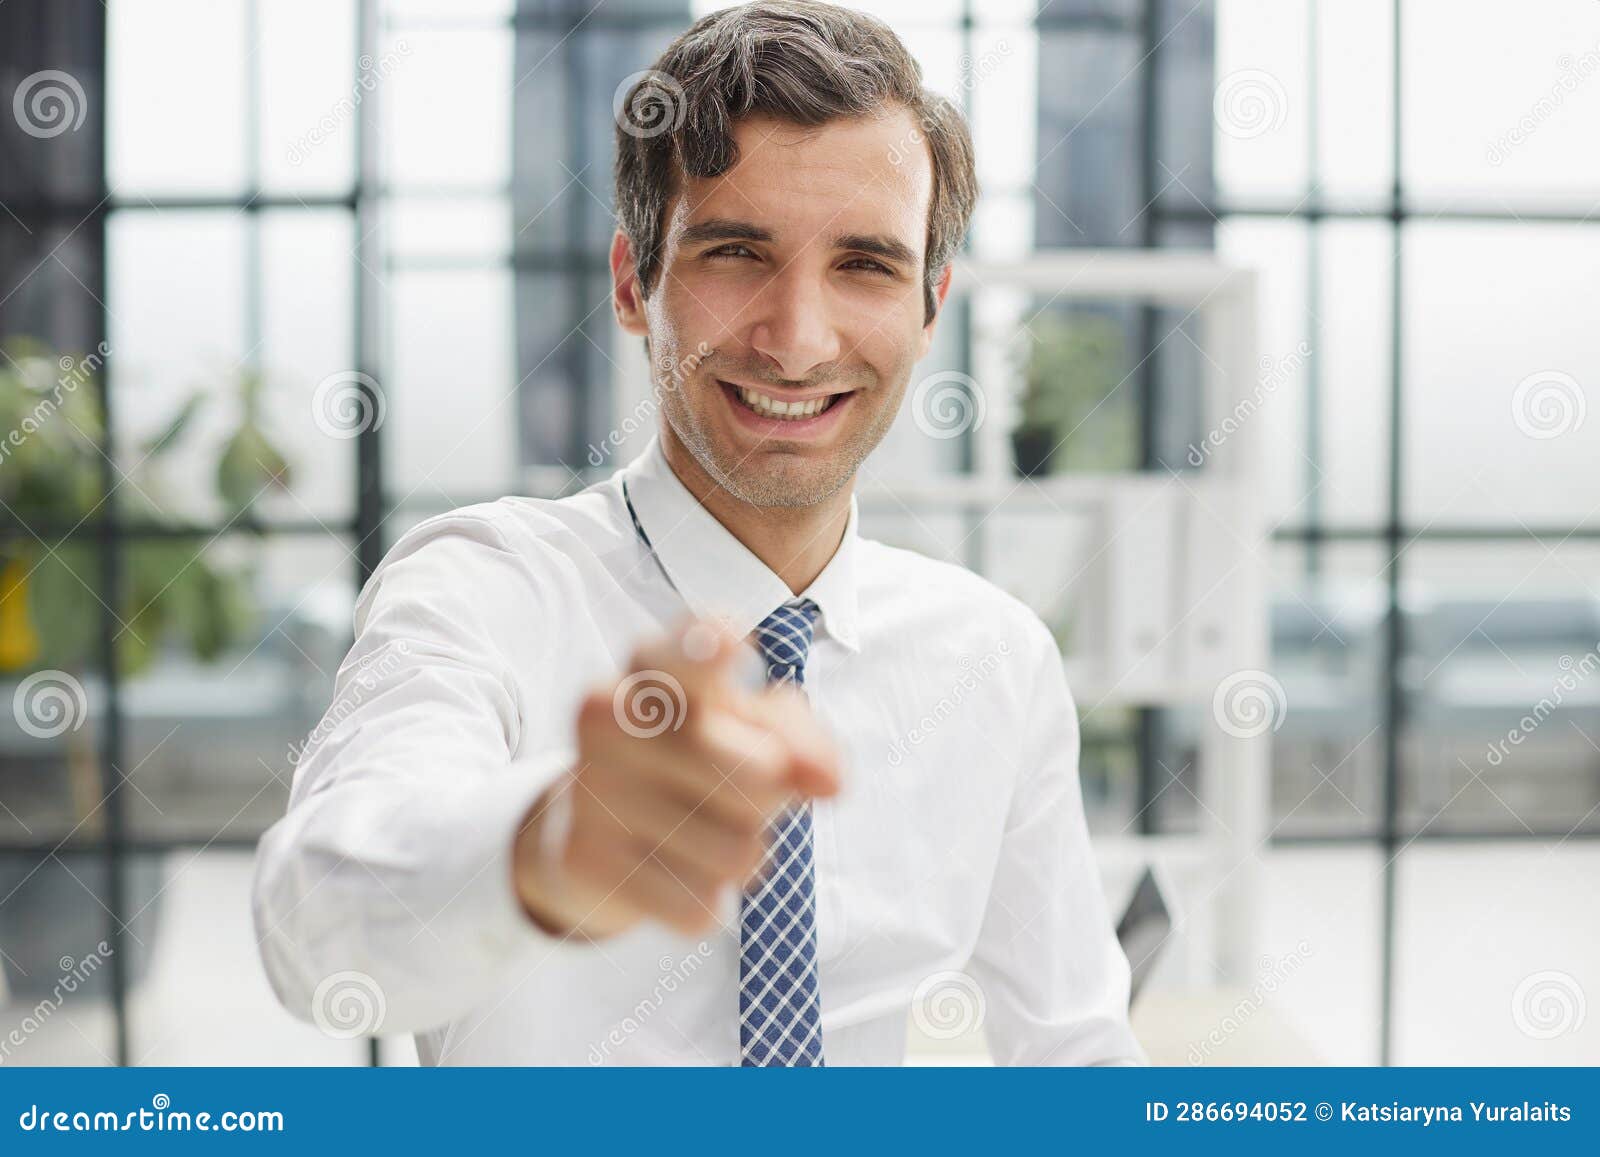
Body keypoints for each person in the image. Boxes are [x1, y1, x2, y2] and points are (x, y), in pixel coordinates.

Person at [253, 0, 1144, 1067]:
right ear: (635, 284)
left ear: (929, 305)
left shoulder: (992, 657)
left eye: (863, 264)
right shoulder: (485, 587)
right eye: (735, 252)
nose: (797, 339)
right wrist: (554, 843)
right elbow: (319, 922)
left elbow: (1075, 1053)